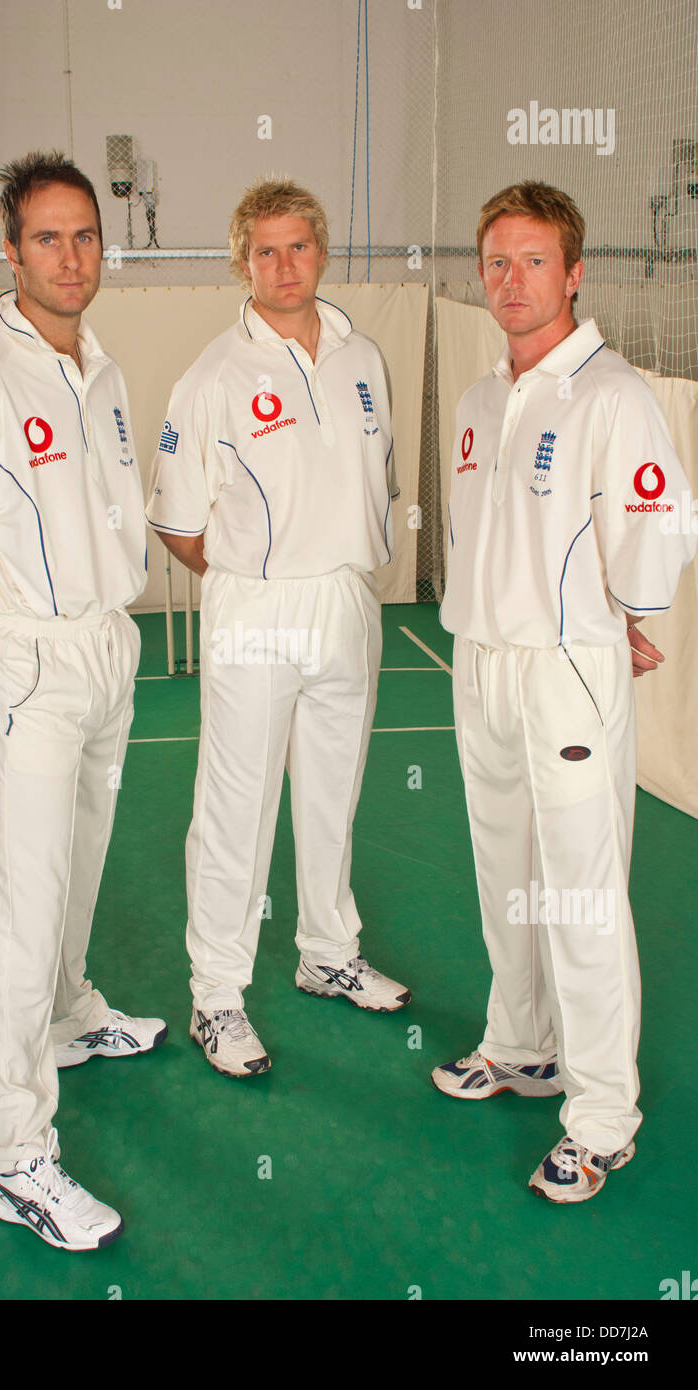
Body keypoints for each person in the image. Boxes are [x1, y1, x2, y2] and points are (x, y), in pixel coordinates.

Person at [0, 151, 167, 1250]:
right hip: (29, 662)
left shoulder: (101, 367)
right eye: (47, 238)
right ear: (11, 252)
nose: (70, 256)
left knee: (82, 859)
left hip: (107, 647)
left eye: (85, 236)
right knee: (16, 897)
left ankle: (66, 1013)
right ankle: (18, 1155)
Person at [433, 181, 696, 1202]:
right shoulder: (477, 397)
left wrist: (616, 616)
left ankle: (600, 1116)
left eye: (531, 260)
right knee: (506, 870)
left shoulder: (612, 395)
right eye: (493, 261)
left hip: (566, 671)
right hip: (481, 662)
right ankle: (520, 1043)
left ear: (573, 273)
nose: (508, 280)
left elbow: (662, 529)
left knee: (582, 895)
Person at [146, 177, 410, 1079]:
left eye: (298, 246)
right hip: (255, 607)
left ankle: (326, 952)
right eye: (265, 250)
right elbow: (179, 524)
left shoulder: (362, 356)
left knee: (331, 794)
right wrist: (249, 582)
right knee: (235, 808)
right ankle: (215, 996)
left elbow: (377, 479)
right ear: (241, 262)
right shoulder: (213, 376)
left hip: (344, 600)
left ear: (321, 251)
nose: (284, 264)